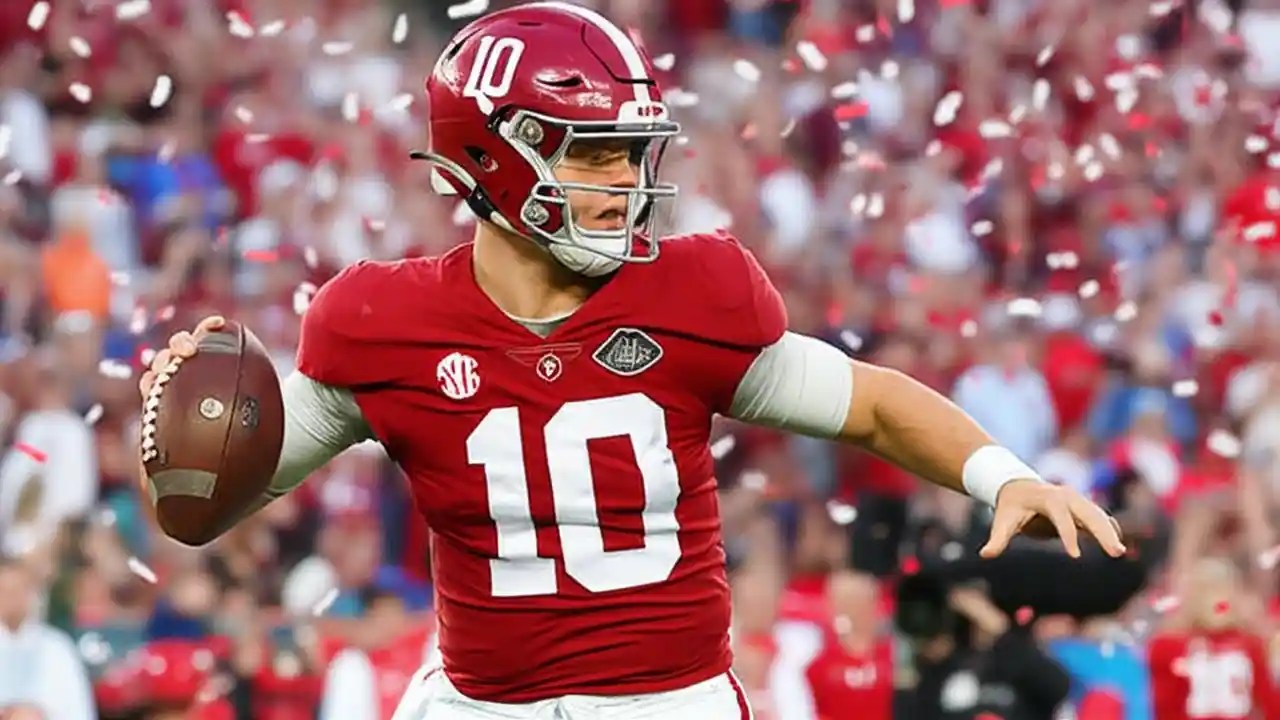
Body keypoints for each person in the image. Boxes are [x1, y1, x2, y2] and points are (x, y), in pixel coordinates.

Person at [137, 3, 1125, 717]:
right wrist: (187, 439)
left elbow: (866, 404)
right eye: (590, 153)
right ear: (488, 156)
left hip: (669, 701)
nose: (621, 184)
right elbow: (213, 506)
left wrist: (999, 475)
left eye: (628, 154)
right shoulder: (382, 320)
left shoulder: (693, 294)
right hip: (483, 705)